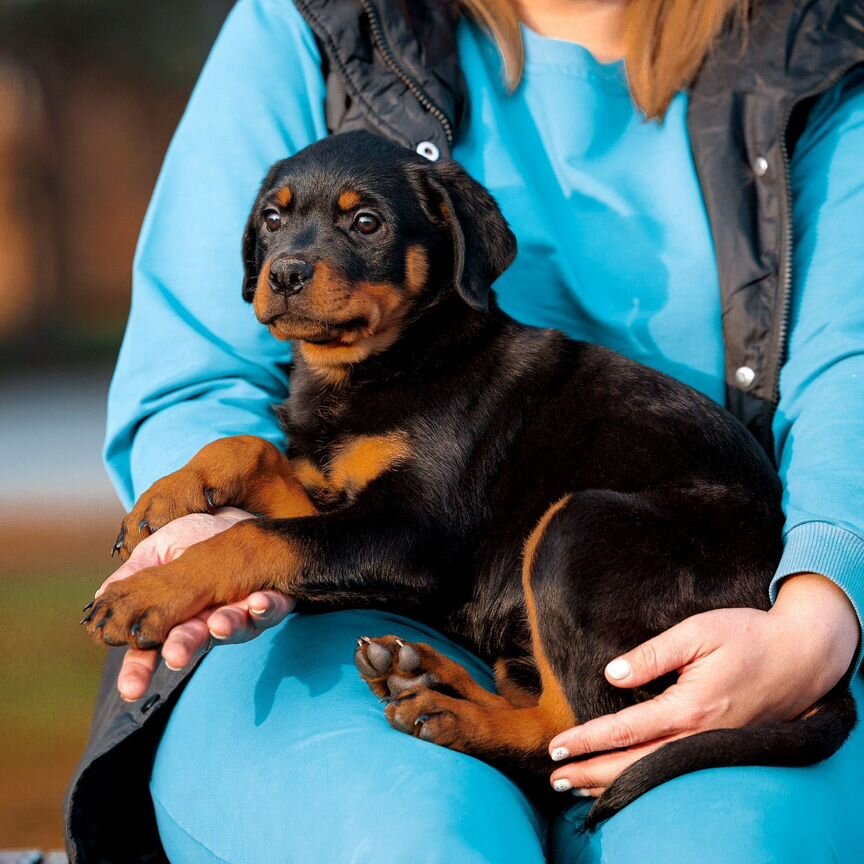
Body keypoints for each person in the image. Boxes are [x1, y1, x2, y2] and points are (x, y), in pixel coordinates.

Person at [66, 0, 864, 861]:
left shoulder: (815, 40)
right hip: (357, 621)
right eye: (277, 225)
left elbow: (848, 368)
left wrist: (824, 606)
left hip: (714, 613)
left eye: (362, 225)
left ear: (450, 253)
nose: (296, 260)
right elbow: (197, 371)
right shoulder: (309, 20)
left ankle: (535, 724)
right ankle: (524, 716)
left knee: (722, 850)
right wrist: (217, 520)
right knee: (419, 841)